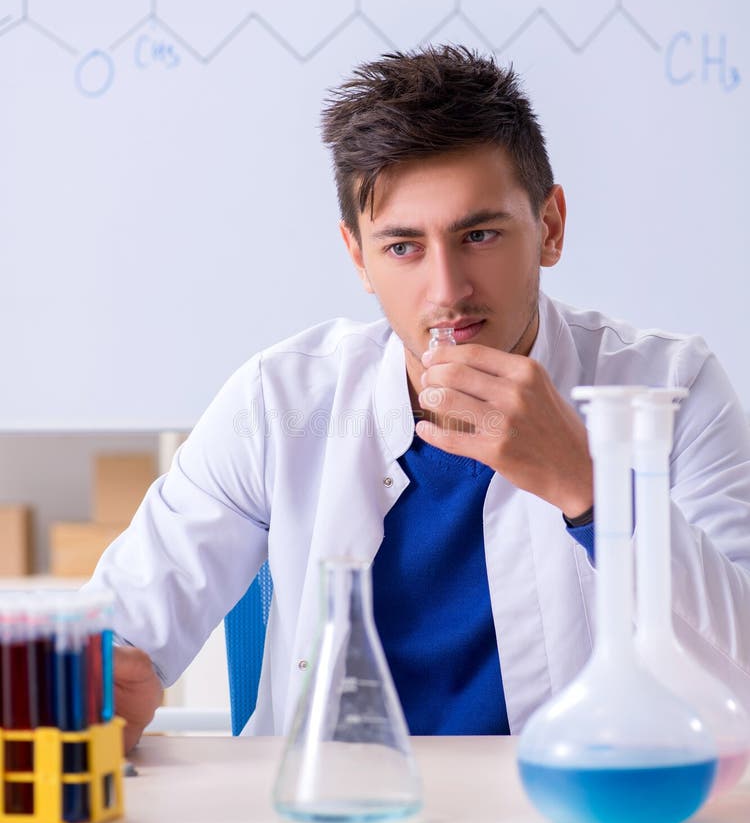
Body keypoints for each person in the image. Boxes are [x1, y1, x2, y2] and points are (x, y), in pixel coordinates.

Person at [86, 45, 750, 754]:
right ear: (357, 256)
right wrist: (105, 677)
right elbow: (119, 635)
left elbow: (740, 669)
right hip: (333, 819)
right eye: (403, 246)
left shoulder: (668, 390)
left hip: (575, 819)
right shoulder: (280, 401)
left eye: (481, 234)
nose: (448, 291)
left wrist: (589, 487)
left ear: (550, 227)